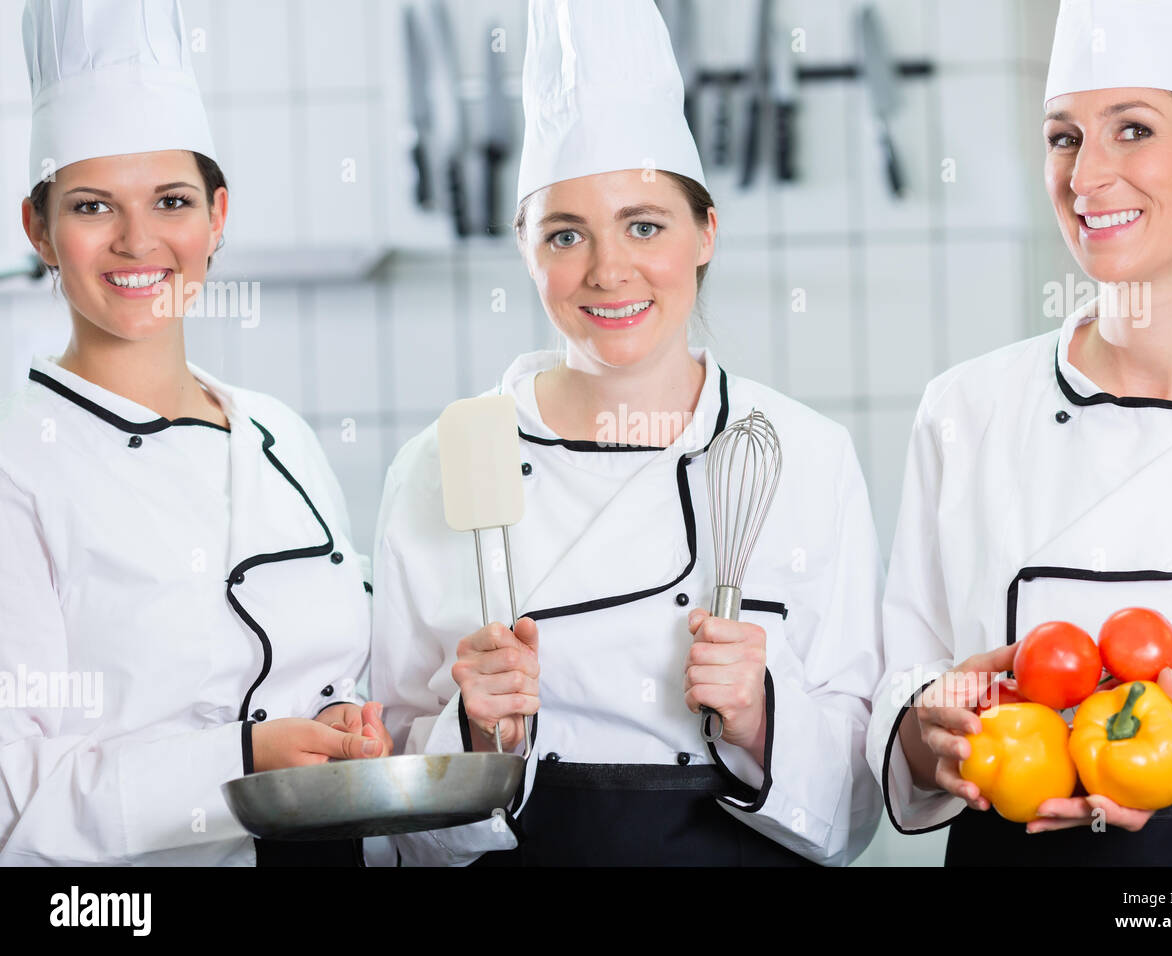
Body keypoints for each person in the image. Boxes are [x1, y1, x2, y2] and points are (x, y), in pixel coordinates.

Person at [369, 0, 885, 866]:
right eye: (566, 234)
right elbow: (393, 836)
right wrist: (473, 733)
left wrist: (762, 718)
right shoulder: (440, 466)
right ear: (523, 248)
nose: (609, 271)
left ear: (705, 232)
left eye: (645, 225)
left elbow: (857, 815)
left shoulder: (802, 456)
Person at [869, 0, 1172, 865]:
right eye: (1064, 137)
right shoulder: (968, 411)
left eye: (1131, 130)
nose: (1086, 175)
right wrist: (929, 724)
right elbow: (895, 699)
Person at [0, 0, 389, 866]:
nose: (139, 241)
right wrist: (242, 763)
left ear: (216, 217)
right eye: (94, 206)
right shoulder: (19, 470)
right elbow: (11, 799)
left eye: (171, 201)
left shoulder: (278, 434)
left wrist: (347, 729)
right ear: (40, 229)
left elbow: (325, 680)